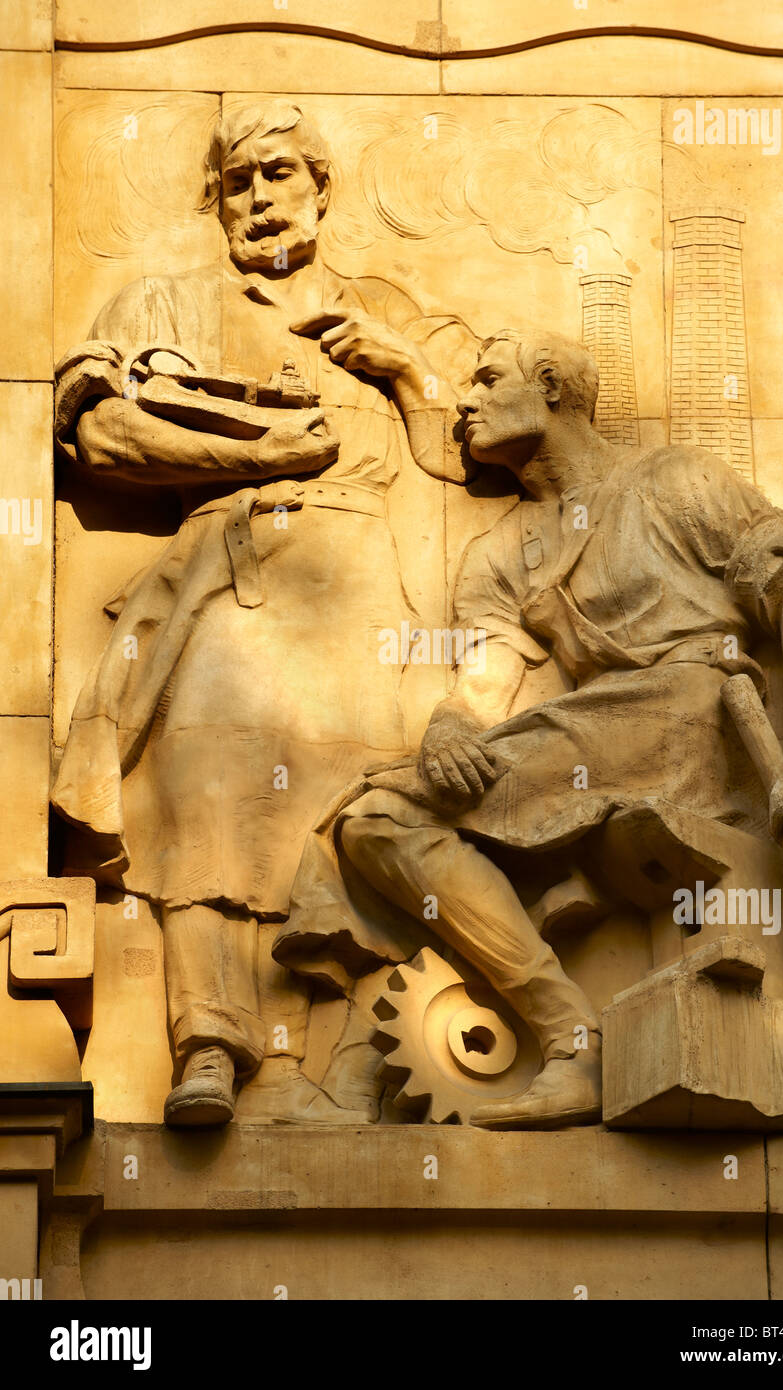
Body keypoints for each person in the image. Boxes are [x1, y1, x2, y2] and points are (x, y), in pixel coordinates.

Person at [275, 328, 783, 1129]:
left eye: (484, 381)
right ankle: (567, 1034)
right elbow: (485, 679)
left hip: (693, 714)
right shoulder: (501, 549)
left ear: (548, 388)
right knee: (379, 818)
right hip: (596, 730)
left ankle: (558, 1044)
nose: (463, 404)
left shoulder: (674, 480)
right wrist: (448, 727)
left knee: (384, 816)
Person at [51, 100, 477, 1126]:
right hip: (227, 572)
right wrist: (257, 456)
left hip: (365, 582)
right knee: (202, 795)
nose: (258, 196)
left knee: (344, 816)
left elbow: (468, 459)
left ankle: (320, 1063)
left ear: (321, 190)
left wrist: (405, 369)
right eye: (239, 181)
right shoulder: (167, 303)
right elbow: (100, 437)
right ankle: (208, 1040)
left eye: (279, 173)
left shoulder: (391, 310)